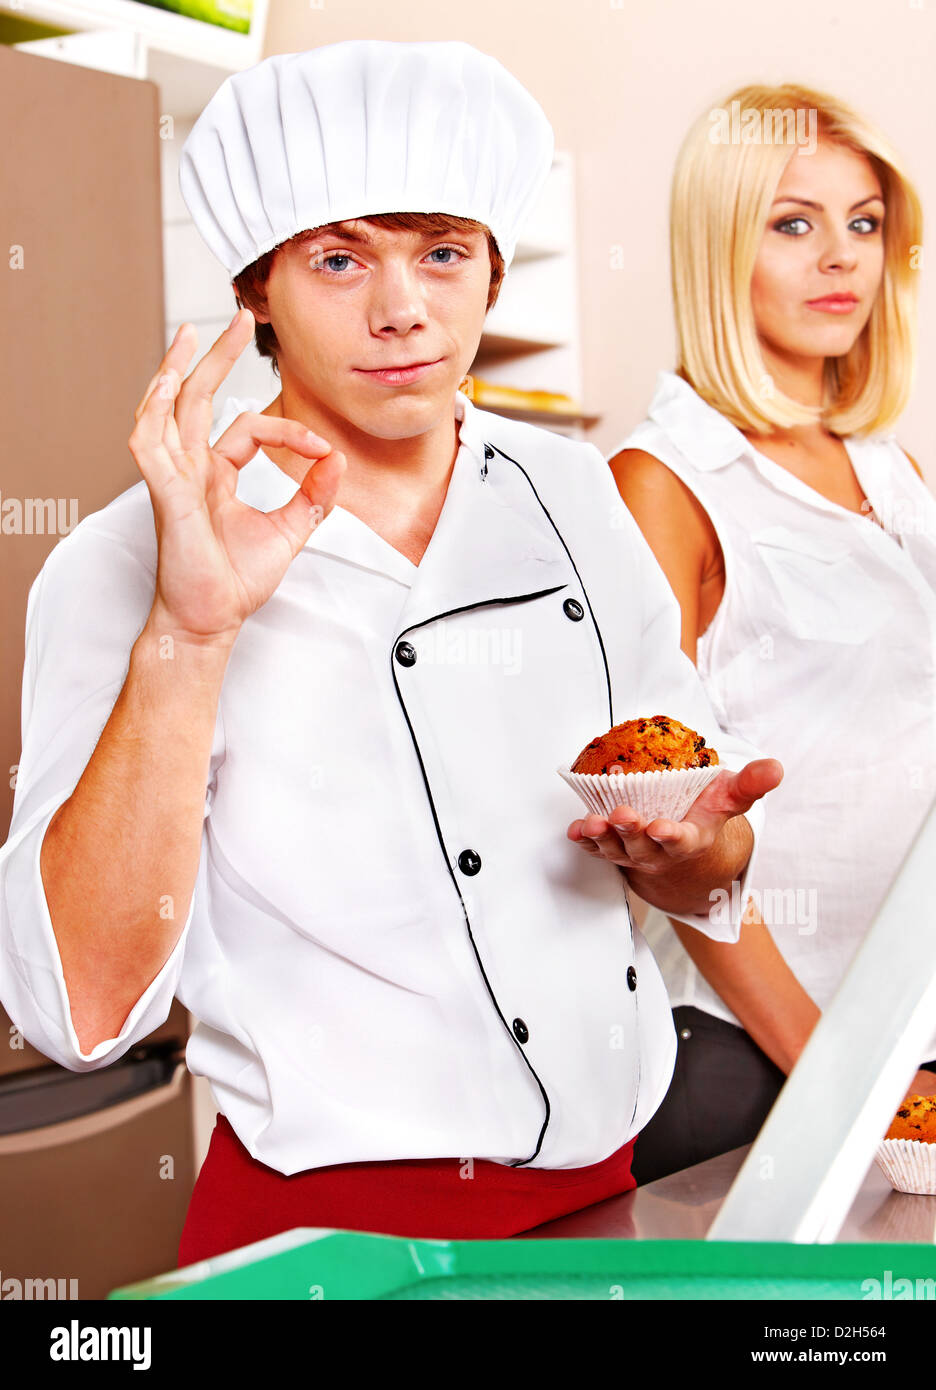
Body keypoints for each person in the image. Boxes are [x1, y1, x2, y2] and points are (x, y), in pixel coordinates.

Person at [0, 41, 779, 1265]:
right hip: (329, 1241)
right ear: (258, 288)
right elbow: (76, 1013)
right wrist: (189, 637)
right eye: (339, 258)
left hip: (609, 1206)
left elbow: (700, 856)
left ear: (492, 270)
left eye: (442, 253)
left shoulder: (576, 492)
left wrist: (698, 848)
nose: (402, 307)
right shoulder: (125, 561)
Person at [608, 83, 936, 1186]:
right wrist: (836, 1068)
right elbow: (669, 834)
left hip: (903, 1045)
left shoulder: (893, 474)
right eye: (792, 223)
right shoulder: (663, 483)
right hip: (757, 1060)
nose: (839, 256)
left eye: (863, 221)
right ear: (718, 248)